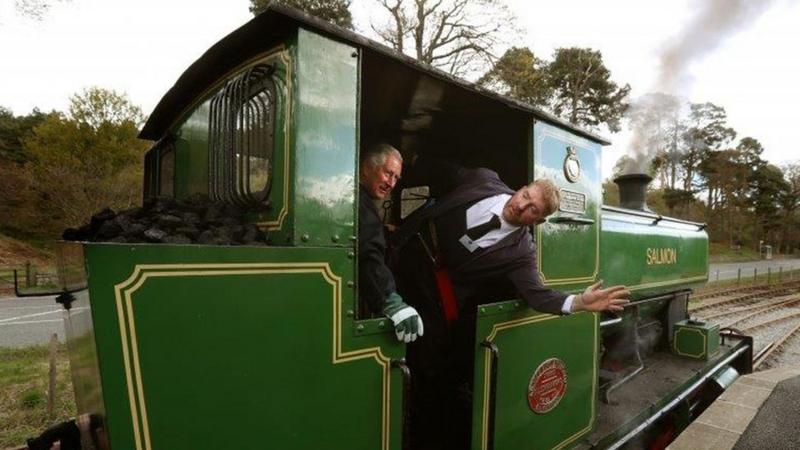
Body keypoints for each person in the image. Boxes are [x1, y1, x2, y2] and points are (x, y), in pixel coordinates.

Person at [392, 156, 629, 450]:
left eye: (533, 209)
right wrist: (406, 163)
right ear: (521, 188)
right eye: (525, 195)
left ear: (538, 221)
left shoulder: (521, 253)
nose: (521, 206)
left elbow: (538, 295)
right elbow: (440, 168)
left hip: (433, 295)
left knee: (428, 367)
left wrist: (580, 301)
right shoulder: (482, 178)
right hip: (401, 254)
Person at [358, 143, 424, 343]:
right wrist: (390, 300)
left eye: (396, 178)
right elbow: (368, 252)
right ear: (367, 168)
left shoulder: (361, 199)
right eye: (388, 174)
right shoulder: (361, 204)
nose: (392, 183)